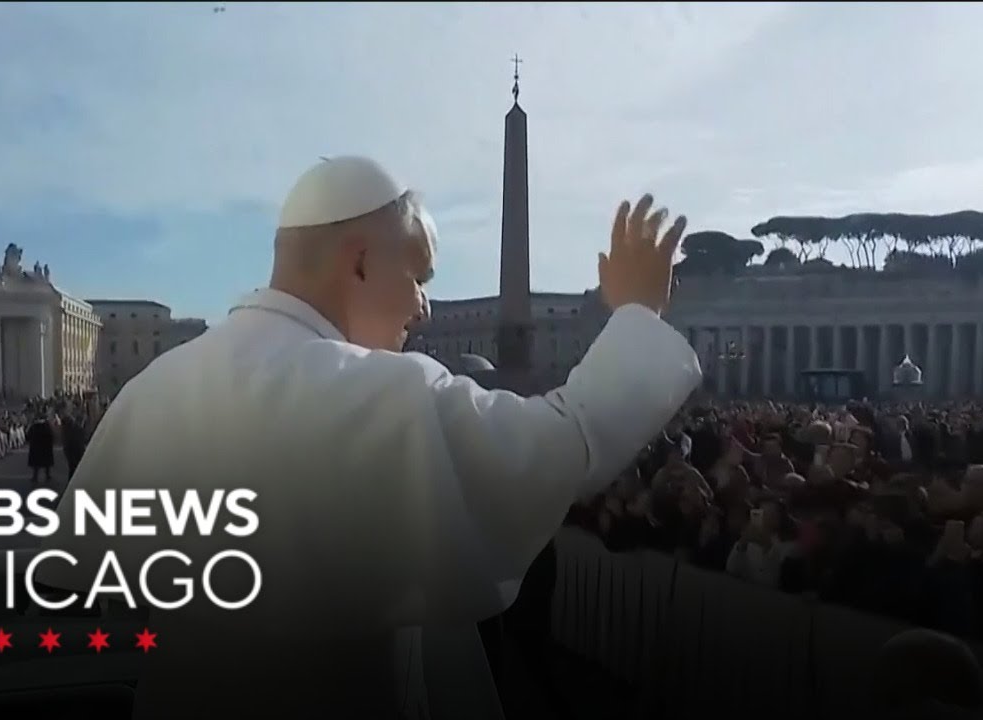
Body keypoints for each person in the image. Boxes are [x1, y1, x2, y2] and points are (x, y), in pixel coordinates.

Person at [36, 156, 702, 719]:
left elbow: (85, 570)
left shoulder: (153, 389)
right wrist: (639, 313)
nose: (424, 308)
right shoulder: (377, 393)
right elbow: (566, 441)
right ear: (357, 263)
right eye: (418, 276)